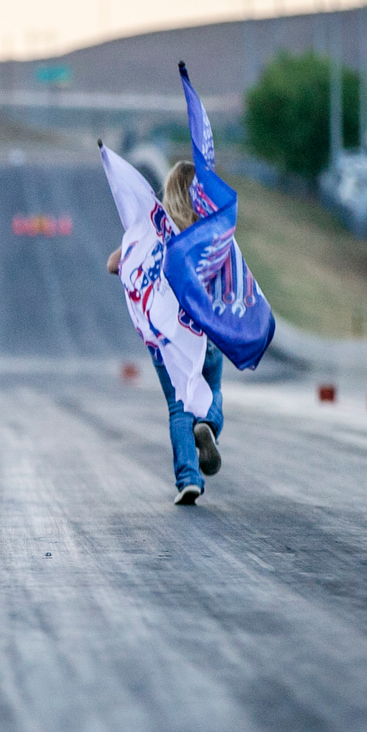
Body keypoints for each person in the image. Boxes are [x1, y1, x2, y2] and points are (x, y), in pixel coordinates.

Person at [107, 160, 223, 504]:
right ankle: (209, 426)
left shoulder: (152, 230)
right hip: (204, 331)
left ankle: (188, 479)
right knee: (211, 386)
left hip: (166, 338)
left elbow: (114, 264)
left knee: (178, 406)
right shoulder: (209, 230)